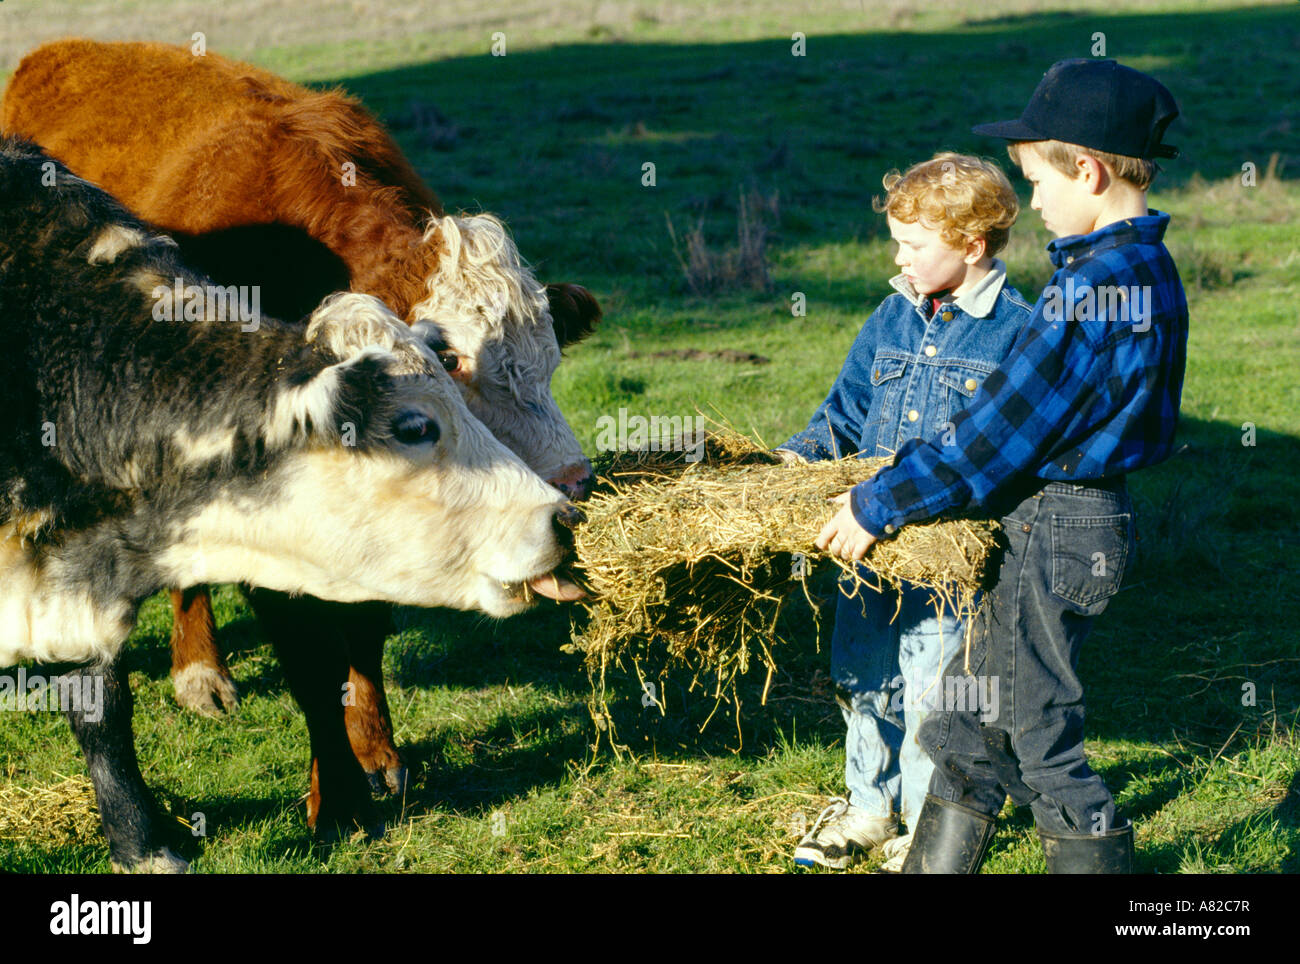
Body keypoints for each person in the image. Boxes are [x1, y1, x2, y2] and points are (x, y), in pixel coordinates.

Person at [815, 59, 1186, 874]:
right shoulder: (1143, 268)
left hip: (1057, 524)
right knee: (960, 717)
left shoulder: (1089, 291)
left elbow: (990, 441)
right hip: (1069, 519)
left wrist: (881, 502)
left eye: (1038, 180)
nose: (1037, 201)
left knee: (1032, 723)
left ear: (1086, 170)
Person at [777, 152, 1031, 870]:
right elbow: (845, 414)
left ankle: (927, 824)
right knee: (862, 674)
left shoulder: (1014, 333)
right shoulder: (891, 316)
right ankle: (867, 806)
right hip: (864, 544)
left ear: (972, 244)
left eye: (913, 245)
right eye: (898, 242)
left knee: (932, 689)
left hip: (943, 554)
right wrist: (791, 462)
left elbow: (995, 452)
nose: (900, 258)